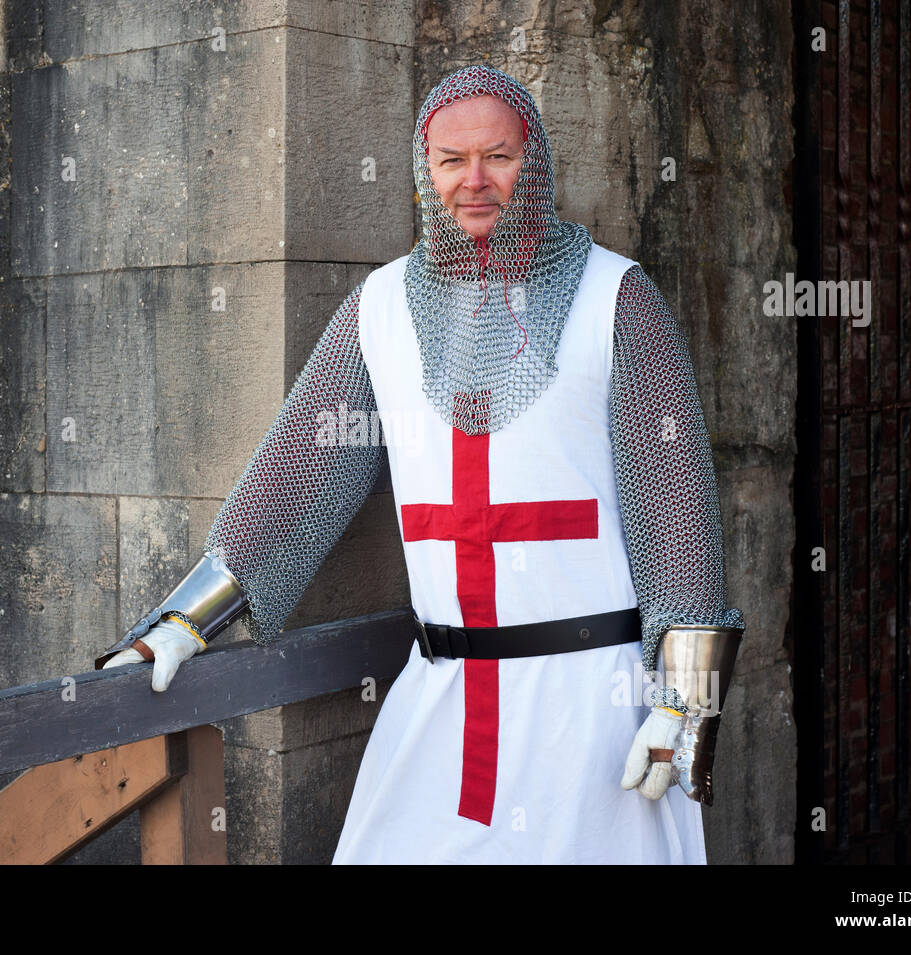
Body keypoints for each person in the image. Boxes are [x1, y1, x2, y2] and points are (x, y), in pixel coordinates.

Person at [97, 65, 745, 864]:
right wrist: (185, 621)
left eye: (498, 157)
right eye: (450, 160)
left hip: (594, 709)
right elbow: (297, 476)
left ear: (533, 163)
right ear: (423, 171)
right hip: (441, 700)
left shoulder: (617, 299)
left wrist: (686, 706)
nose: (474, 181)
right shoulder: (380, 309)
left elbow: (676, 511)